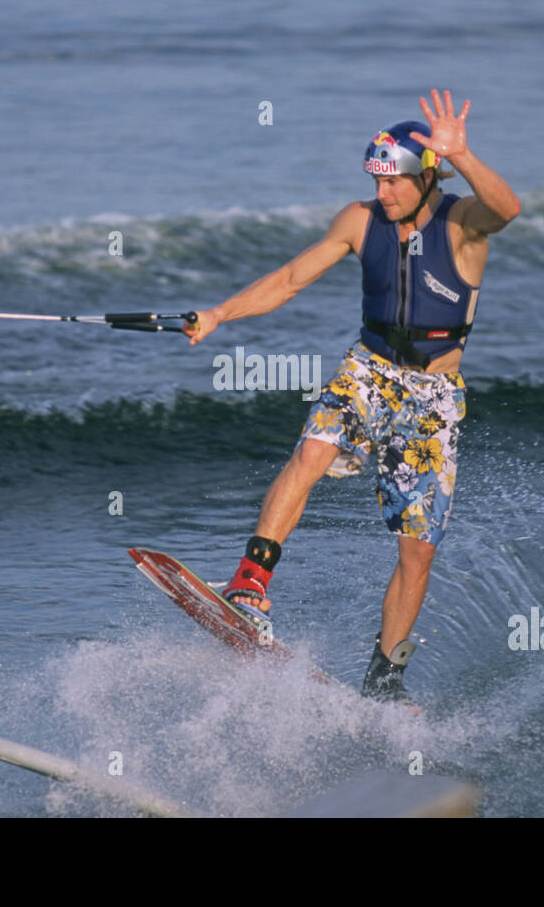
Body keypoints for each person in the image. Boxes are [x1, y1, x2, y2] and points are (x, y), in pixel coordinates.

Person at [183, 89, 520, 701]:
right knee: (311, 453)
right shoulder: (360, 221)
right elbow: (288, 280)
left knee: (417, 550)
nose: (382, 192)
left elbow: (509, 206)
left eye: (393, 182)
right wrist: (218, 314)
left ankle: (384, 679)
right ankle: (250, 585)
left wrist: (464, 155)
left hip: (434, 393)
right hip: (368, 369)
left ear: (427, 177)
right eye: (376, 179)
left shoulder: (464, 225)